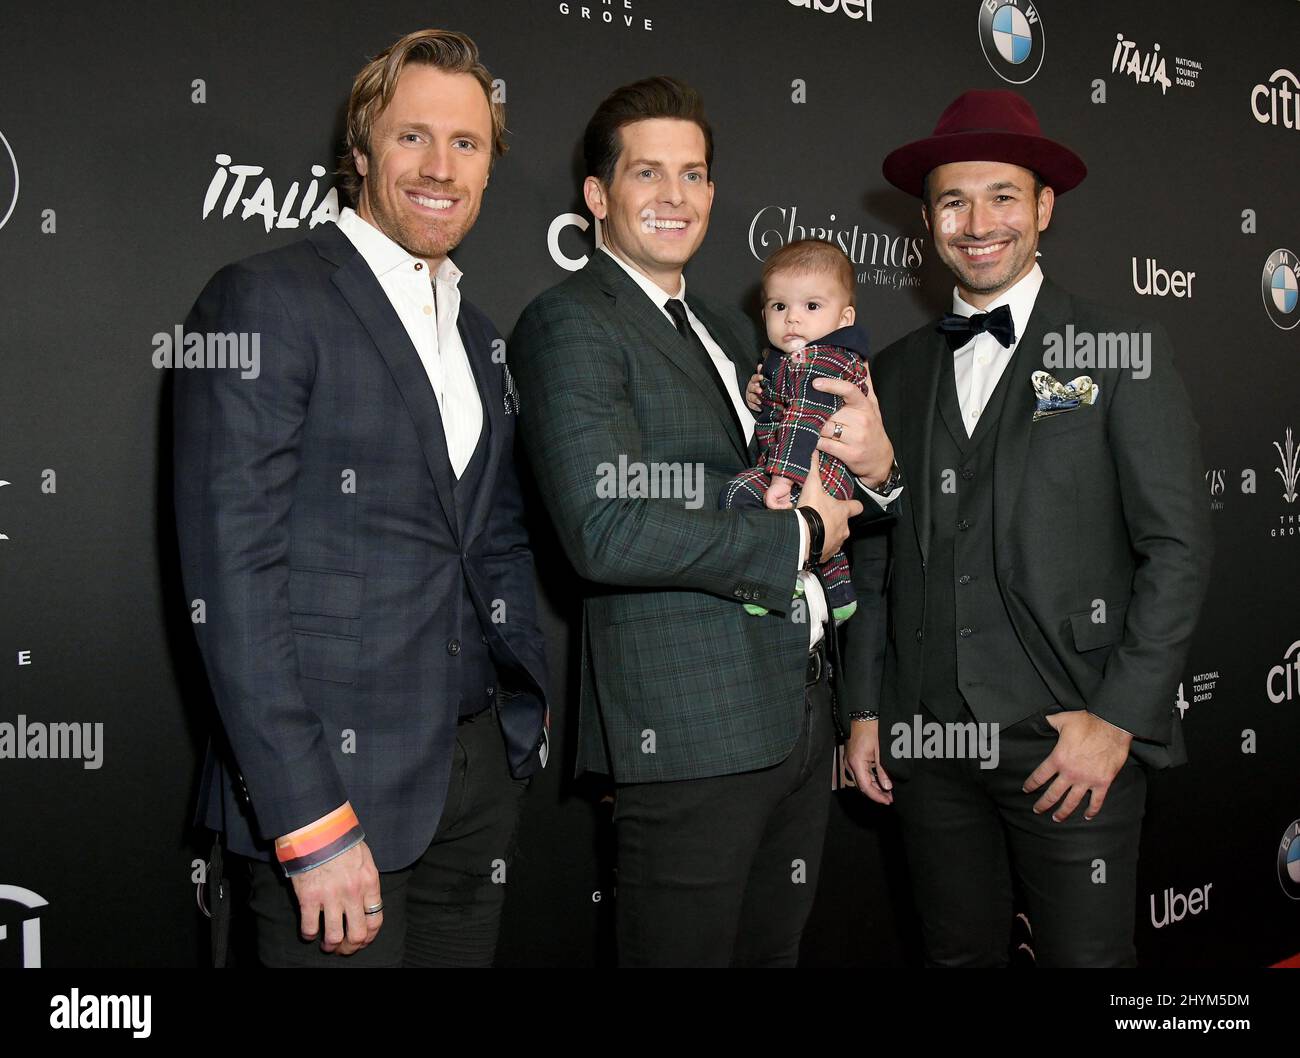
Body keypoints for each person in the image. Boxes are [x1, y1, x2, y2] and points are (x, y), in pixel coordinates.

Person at [173, 28, 548, 967]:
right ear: (361, 151)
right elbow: (234, 579)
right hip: (332, 802)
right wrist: (305, 818)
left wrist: (518, 720)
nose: (440, 166)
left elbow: (493, 540)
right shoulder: (266, 299)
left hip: (472, 787)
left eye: (466, 144)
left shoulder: (480, 332)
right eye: (412, 136)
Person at [508, 76, 897, 967]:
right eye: (649, 174)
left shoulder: (738, 330)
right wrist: (795, 539)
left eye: (693, 174)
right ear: (600, 197)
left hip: (801, 720)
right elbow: (606, 529)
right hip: (687, 733)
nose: (675, 196)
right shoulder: (569, 324)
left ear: (715, 192)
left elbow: (849, 492)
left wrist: (881, 469)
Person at [841, 89, 1213, 967]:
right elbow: (876, 553)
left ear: (1044, 208)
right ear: (927, 219)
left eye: (1003, 196)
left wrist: (1118, 720)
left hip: (1066, 740)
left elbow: (1177, 546)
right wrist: (863, 710)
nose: (978, 223)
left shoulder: (1121, 349)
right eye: (953, 200)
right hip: (927, 743)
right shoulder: (891, 372)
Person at [724, 238, 872, 621]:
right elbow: (784, 405)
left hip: (812, 469)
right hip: (817, 470)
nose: (792, 317)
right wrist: (761, 391)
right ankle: (840, 596)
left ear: (844, 319)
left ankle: (776, 578)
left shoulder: (820, 361)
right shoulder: (793, 361)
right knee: (822, 527)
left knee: (741, 494)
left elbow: (804, 419)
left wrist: (782, 480)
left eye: (811, 306)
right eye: (779, 306)